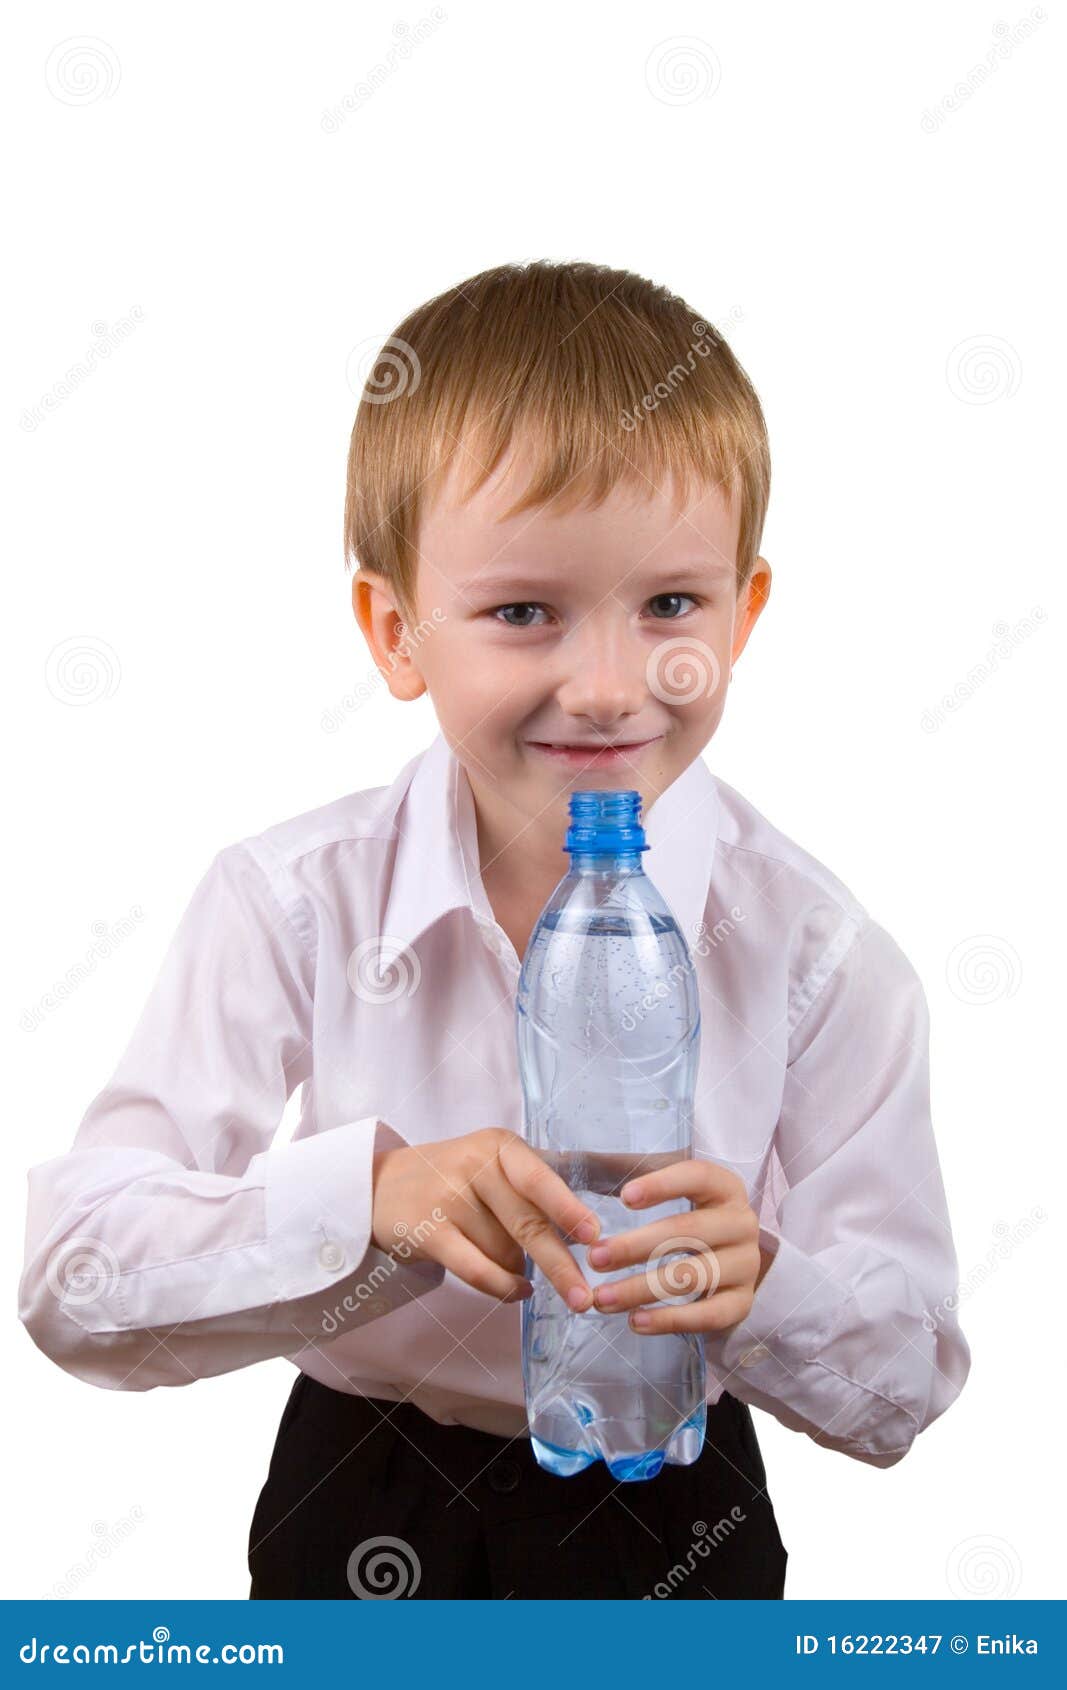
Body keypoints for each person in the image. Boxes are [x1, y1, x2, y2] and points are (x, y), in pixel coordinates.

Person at [18, 260, 970, 1600]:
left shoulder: (812, 950)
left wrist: (762, 1280)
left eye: (671, 605)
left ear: (745, 617)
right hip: (367, 1491)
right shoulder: (293, 899)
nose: (606, 684)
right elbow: (73, 1274)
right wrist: (362, 1204)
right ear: (397, 629)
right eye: (525, 611)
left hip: (671, 1496)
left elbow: (905, 1380)